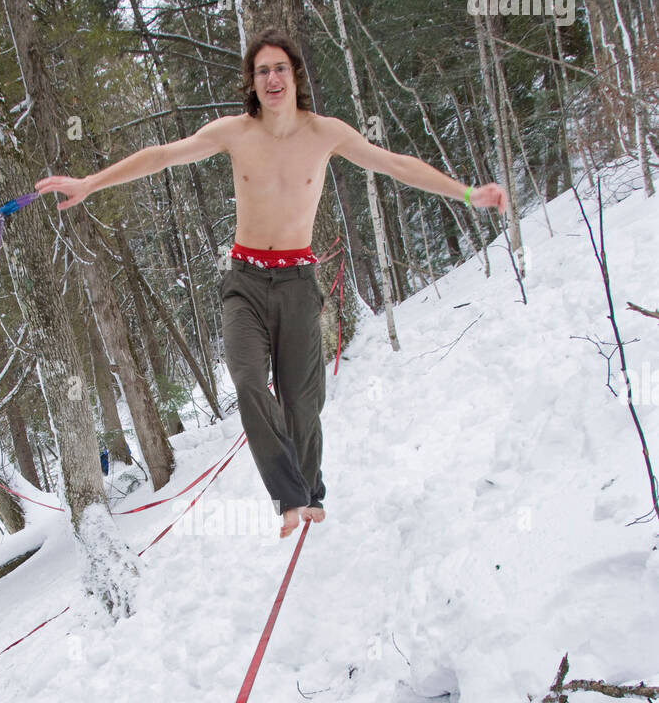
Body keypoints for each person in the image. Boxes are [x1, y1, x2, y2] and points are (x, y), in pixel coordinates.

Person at [35, 27, 507, 539]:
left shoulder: (327, 133)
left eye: (280, 68)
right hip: (245, 281)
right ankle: (289, 498)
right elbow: (162, 155)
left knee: (303, 401)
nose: (272, 78)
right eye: (261, 71)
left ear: (294, 75)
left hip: (299, 282)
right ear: (252, 82)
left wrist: (464, 193)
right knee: (247, 379)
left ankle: (310, 492)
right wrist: (90, 183)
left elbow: (395, 165)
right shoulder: (235, 132)